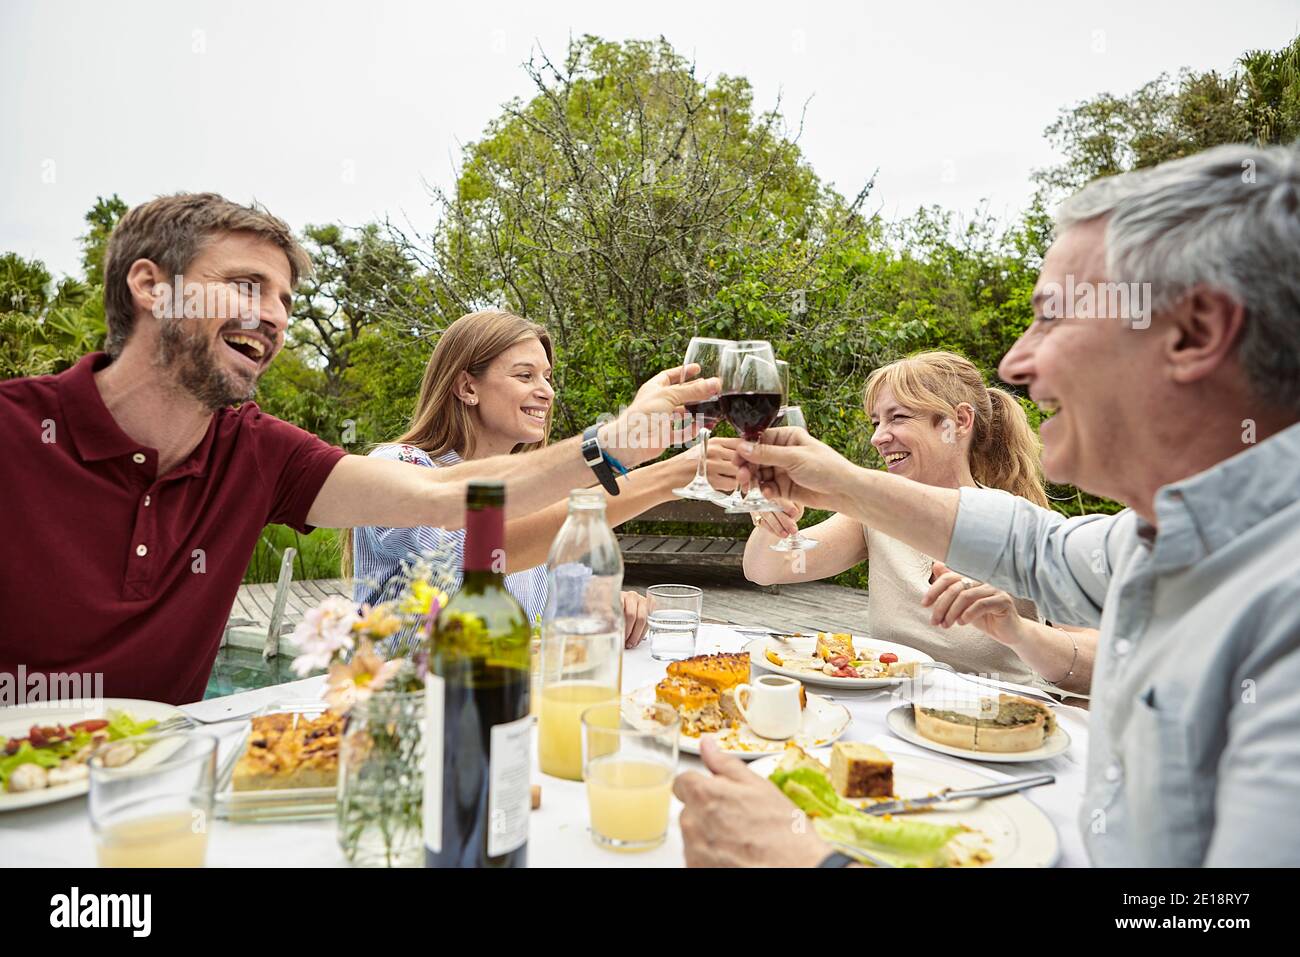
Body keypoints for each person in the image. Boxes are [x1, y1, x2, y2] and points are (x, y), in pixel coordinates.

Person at [682, 142, 1300, 867]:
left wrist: (815, 861)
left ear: (1193, 332)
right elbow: (1033, 548)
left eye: (1052, 317)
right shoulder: (1165, 535)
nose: (1014, 362)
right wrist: (839, 484)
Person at [0, 192, 718, 705]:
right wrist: (630, 451)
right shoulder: (13, 431)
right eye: (248, 285)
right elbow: (483, 528)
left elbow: (452, 502)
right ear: (153, 288)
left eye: (284, 298)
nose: (276, 316)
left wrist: (633, 448)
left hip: (173, 783)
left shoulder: (258, 452)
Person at [349, 309, 738, 647]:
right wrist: (671, 474)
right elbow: (487, 551)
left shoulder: (538, 501)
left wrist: (612, 606)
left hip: (514, 708)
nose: (547, 392)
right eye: (525, 375)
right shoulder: (399, 468)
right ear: (468, 387)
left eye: (548, 377)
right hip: (406, 716)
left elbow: (561, 616)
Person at [743, 351, 1095, 692]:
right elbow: (764, 569)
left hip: (998, 729)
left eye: (897, 417)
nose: (878, 436)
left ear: (959, 421)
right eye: (876, 421)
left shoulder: (1021, 526)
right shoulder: (872, 516)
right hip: (895, 717)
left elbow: (1095, 663)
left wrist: (1017, 630)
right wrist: (774, 518)